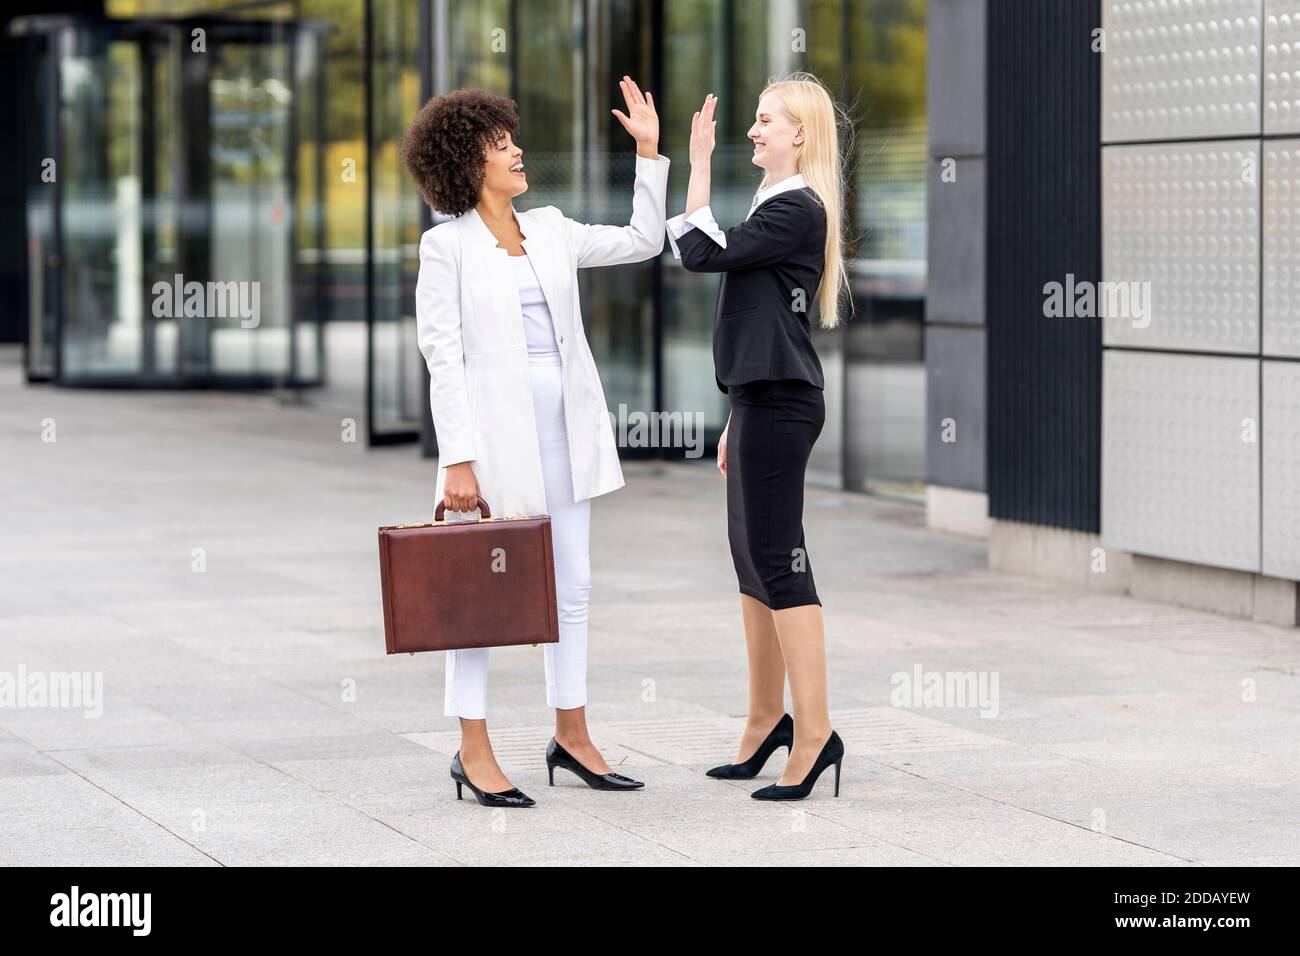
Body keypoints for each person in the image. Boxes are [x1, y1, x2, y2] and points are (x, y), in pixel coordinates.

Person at [403, 78, 668, 807]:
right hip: (491, 447)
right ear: (468, 162)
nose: (517, 151)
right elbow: (442, 355)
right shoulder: (445, 247)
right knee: (479, 595)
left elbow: (645, 240)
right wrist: (456, 458)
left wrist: (648, 153)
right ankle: (473, 749)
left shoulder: (550, 227)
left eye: (512, 139)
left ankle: (573, 735)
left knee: (572, 585)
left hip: (567, 435)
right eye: (499, 144)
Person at [666, 73, 850, 801]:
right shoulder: (776, 205)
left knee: (778, 560)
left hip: (782, 404)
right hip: (761, 402)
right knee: (752, 563)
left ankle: (815, 733)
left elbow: (700, 253)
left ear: (800, 133)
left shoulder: (797, 209)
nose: (753, 129)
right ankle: (765, 721)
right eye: (754, 119)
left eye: (765, 119)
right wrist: (739, 413)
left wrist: (698, 162)